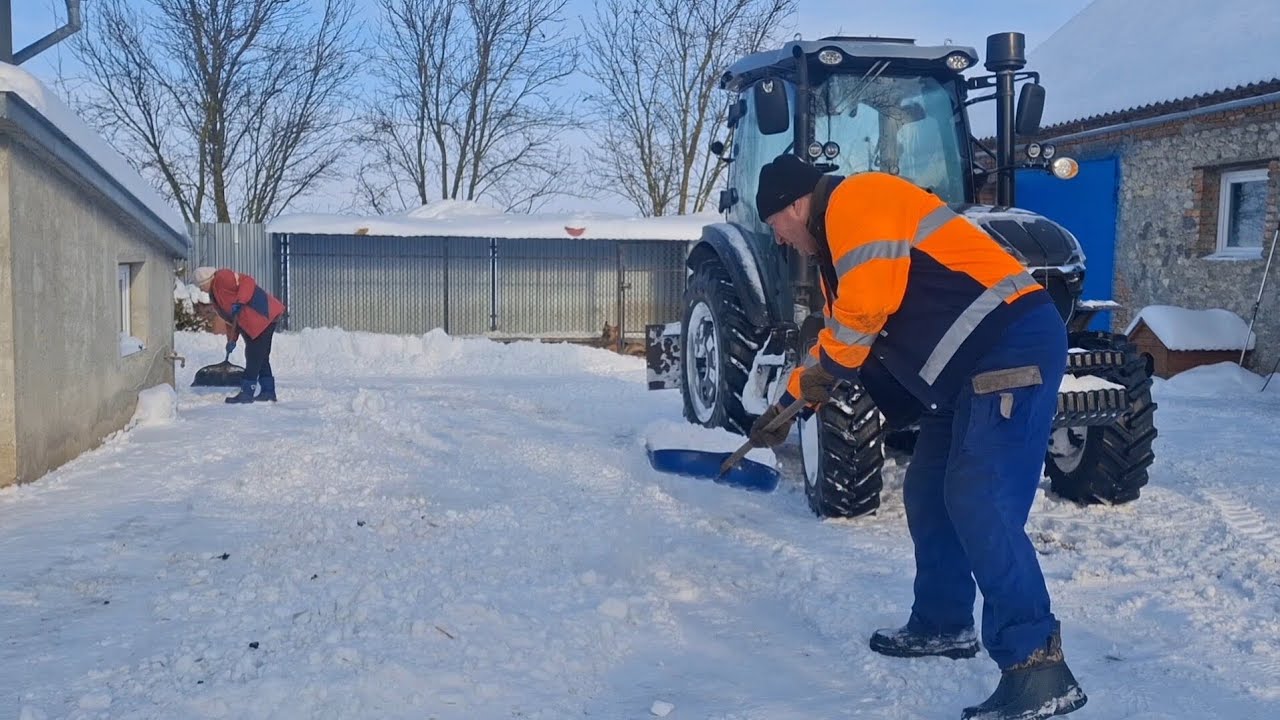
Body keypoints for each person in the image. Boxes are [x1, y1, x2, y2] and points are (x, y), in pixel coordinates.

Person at [746, 154, 1085, 720]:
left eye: (776, 226)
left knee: (980, 497)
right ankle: (944, 622)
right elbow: (842, 331)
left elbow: (866, 311)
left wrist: (821, 378)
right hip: (960, 374)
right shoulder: (838, 247)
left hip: (1009, 344)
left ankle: (1038, 666)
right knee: (928, 490)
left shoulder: (858, 200)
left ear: (794, 205)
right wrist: (788, 400)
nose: (780, 240)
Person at [194, 266, 286, 404]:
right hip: (252, 322)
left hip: (263, 314)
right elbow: (230, 320)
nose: (200, 289)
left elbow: (247, 281)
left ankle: (247, 392)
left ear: (207, 281)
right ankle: (268, 391)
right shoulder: (215, 295)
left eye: (201, 286)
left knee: (254, 354)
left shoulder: (222, 277)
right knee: (260, 355)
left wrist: (241, 300)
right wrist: (232, 340)